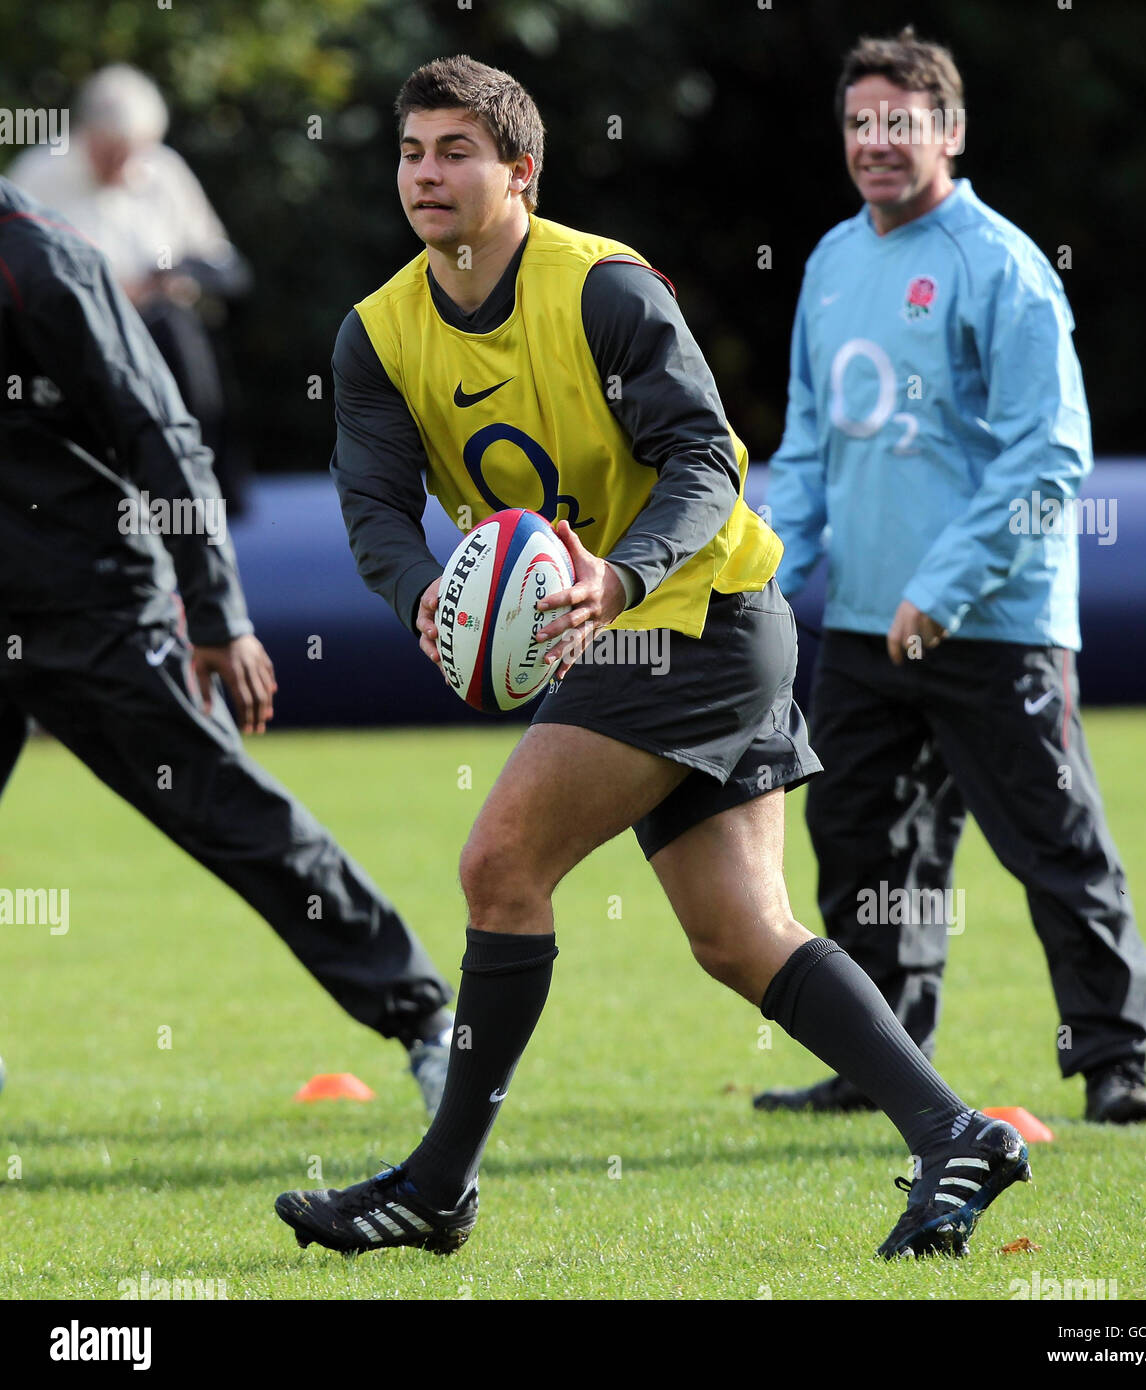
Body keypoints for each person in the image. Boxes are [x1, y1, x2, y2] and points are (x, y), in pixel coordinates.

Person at [274, 54, 1031, 1262]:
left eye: (455, 150)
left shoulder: (602, 289)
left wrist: (611, 575)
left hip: (700, 617)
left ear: (520, 173)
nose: (426, 173)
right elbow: (370, 505)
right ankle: (956, 1133)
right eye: (412, 151)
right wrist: (425, 596)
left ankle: (437, 1185)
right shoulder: (377, 333)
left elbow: (704, 461)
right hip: (619, 632)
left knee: (499, 860)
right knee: (740, 933)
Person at [753, 29, 1146, 1124]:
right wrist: (749, 568)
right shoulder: (832, 263)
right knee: (857, 843)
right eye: (859, 123)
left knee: (1053, 845)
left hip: (992, 623)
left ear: (950, 131)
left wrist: (941, 587)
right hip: (855, 626)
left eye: (901, 121)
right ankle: (878, 1063)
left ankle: (1113, 1064)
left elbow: (1049, 456)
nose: (877, 143)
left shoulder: (1001, 264)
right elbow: (804, 453)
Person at [0, 176, 453, 1118]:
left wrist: (216, 613)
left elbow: (160, 432)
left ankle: (426, 1022)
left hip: (89, 605)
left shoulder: (42, 261)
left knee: (229, 814)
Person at [10, 64, 253, 510]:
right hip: (68, 336)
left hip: (153, 329)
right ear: (87, 134)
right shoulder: (39, 175)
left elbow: (223, 263)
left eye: (133, 152)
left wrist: (177, 277)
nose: (123, 166)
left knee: (180, 333)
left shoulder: (163, 171)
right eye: (111, 152)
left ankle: (197, 482)